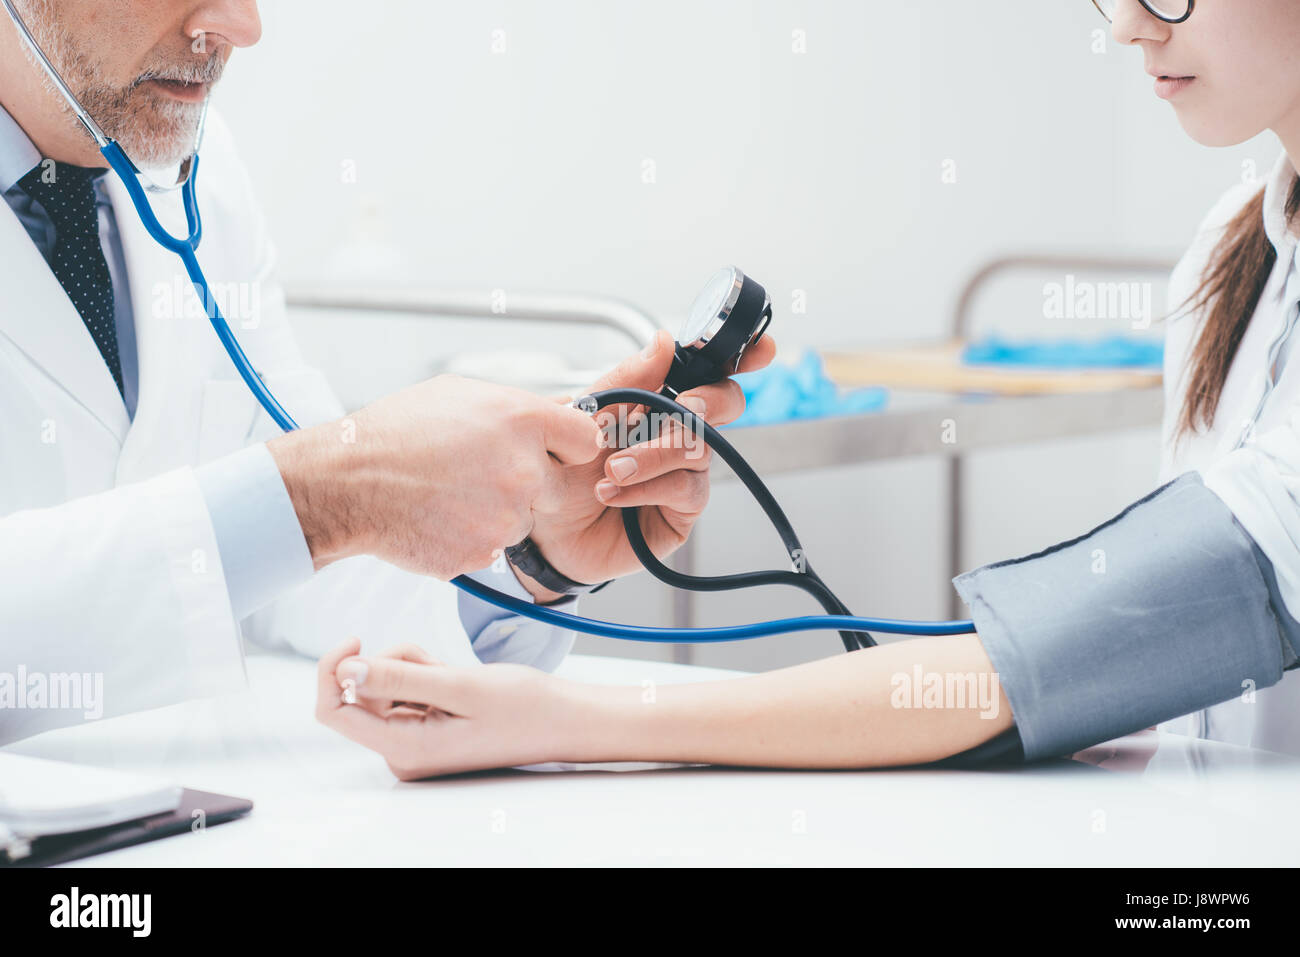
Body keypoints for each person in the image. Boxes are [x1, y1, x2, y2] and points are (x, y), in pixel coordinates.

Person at [318, 0, 1300, 778]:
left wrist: (568, 723)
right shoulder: (1227, 250)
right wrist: (540, 570)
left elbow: (1064, 654)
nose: (1127, 24)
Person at [0, 0, 773, 744]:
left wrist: (534, 552)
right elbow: (295, 505)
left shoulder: (194, 167)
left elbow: (286, 565)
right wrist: (324, 492)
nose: (244, 25)